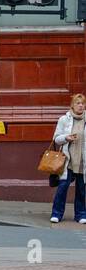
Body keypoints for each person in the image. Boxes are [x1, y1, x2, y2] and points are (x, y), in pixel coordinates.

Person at [50, 93, 86, 224]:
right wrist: (66, 138)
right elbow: (56, 139)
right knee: (63, 187)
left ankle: (81, 214)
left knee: (82, 189)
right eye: (78, 103)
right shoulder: (64, 119)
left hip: (82, 161)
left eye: (82, 103)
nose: (81, 106)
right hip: (67, 160)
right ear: (72, 105)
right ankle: (56, 213)